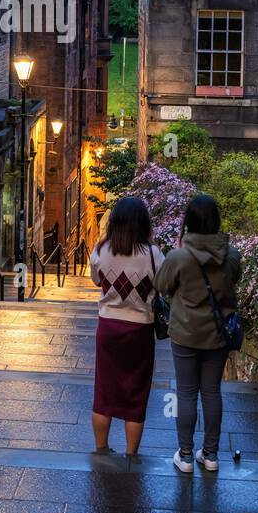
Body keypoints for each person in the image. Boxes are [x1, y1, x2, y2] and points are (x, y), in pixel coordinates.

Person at [155, 193, 241, 474]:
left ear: (188, 222)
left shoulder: (179, 257)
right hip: (218, 335)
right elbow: (234, 280)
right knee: (212, 392)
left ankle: (187, 455)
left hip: (185, 334)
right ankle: (212, 454)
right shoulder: (231, 257)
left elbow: (161, 284)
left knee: (187, 394)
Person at [90, 195, 166, 459]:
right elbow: (162, 285)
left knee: (104, 391)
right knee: (136, 393)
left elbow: (95, 280)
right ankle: (131, 453)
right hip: (139, 331)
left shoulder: (100, 250)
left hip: (108, 327)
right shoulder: (154, 255)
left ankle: (101, 448)